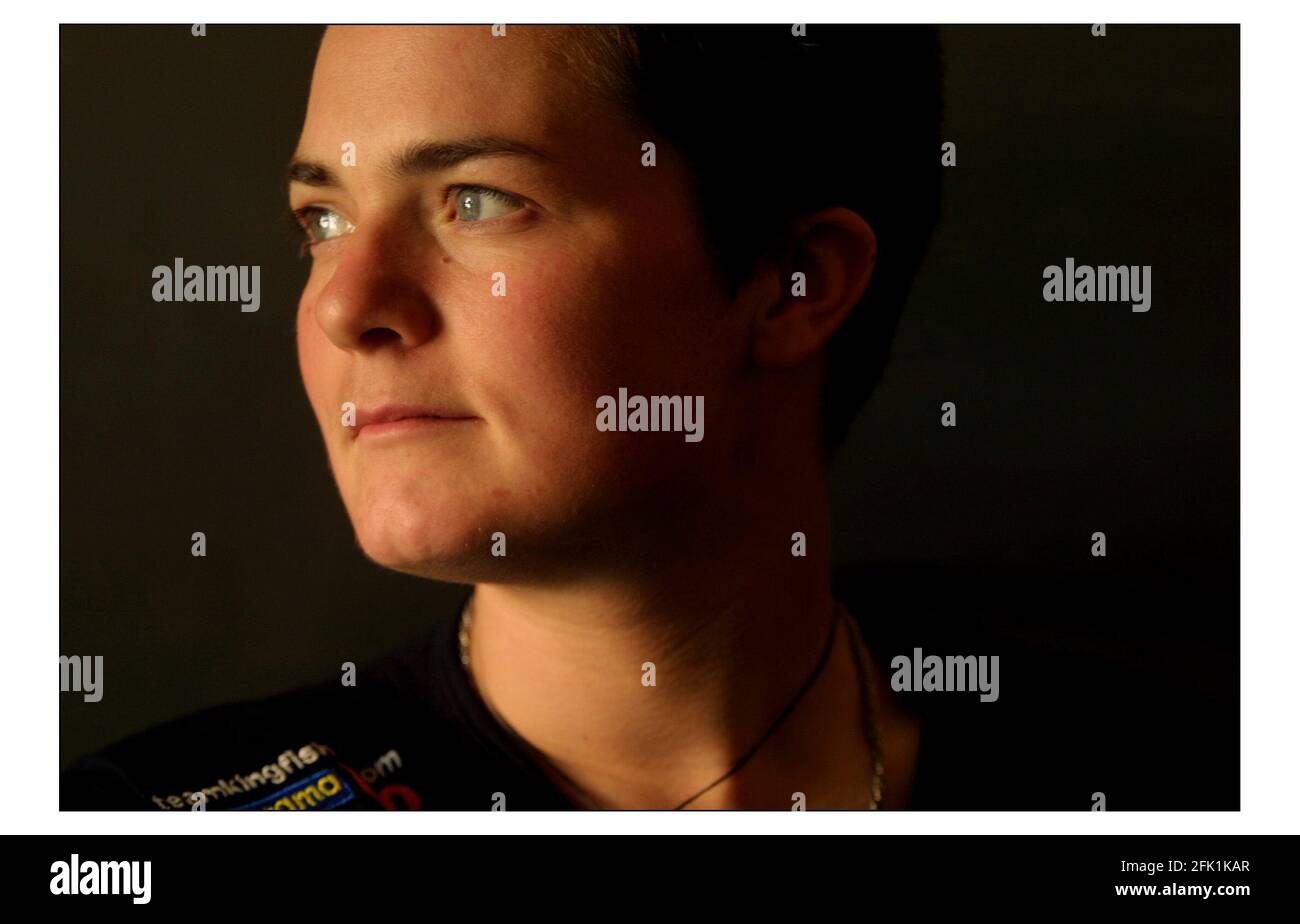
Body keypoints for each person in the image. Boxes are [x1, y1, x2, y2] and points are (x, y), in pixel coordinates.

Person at [65, 24, 1225, 812]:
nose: (342, 305)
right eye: (320, 220)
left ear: (792, 281)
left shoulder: (1180, 783)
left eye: (476, 201)